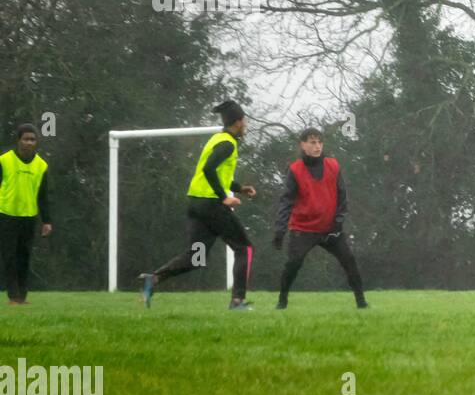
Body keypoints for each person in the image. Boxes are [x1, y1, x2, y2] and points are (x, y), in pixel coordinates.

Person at [140, 101, 257, 310]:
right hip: (212, 206)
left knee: (196, 258)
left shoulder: (216, 139)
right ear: (238, 122)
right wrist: (224, 197)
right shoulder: (228, 143)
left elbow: (215, 173)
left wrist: (239, 188)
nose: (245, 124)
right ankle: (237, 302)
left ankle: (155, 278)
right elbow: (210, 169)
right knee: (244, 248)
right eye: (244, 120)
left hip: (197, 205)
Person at [272, 128, 368, 310]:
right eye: (312, 142)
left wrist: (337, 223)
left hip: (330, 228)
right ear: (303, 145)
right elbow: (286, 202)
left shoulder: (333, 165)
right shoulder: (295, 170)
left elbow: (342, 197)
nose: (317, 146)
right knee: (293, 264)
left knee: (349, 260)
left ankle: (361, 302)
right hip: (303, 228)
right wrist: (280, 230)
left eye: (319, 142)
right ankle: (282, 301)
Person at [0, 123, 52, 305]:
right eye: (26, 139)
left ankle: (22, 296)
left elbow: (43, 195)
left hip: (29, 218)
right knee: (9, 257)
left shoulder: (41, 166)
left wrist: (47, 221)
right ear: (18, 140)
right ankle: (13, 296)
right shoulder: (4, 160)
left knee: (24, 257)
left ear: (36, 142)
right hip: (6, 215)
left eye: (32, 139)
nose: (29, 143)